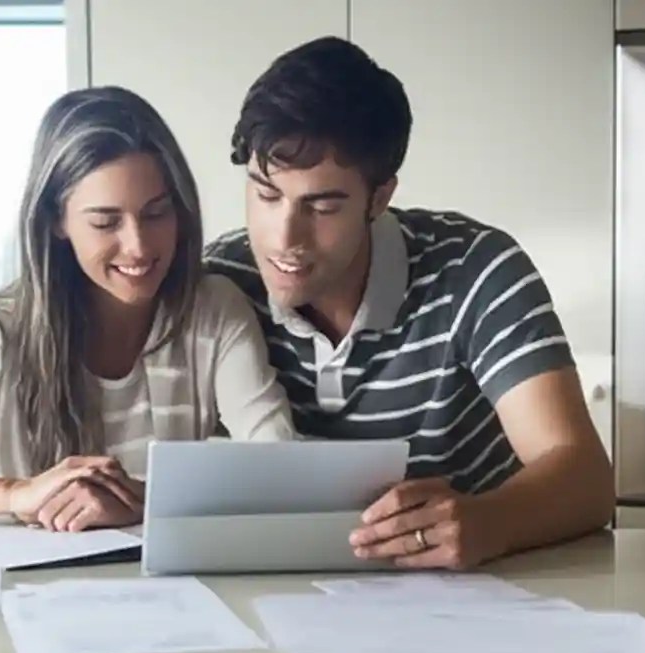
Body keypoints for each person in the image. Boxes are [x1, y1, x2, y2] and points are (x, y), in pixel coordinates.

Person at [203, 36, 614, 569]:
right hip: (282, 602)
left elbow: (586, 477)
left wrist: (491, 519)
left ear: (379, 198)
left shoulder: (476, 269)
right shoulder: (222, 280)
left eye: (322, 207)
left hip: (478, 603)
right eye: (265, 194)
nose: (285, 238)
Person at [0, 86, 296, 531]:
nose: (138, 246)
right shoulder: (4, 331)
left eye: (156, 213)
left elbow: (282, 468)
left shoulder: (213, 310)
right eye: (105, 221)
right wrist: (19, 494)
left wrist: (140, 502)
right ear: (57, 219)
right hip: (28, 597)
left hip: (170, 593)